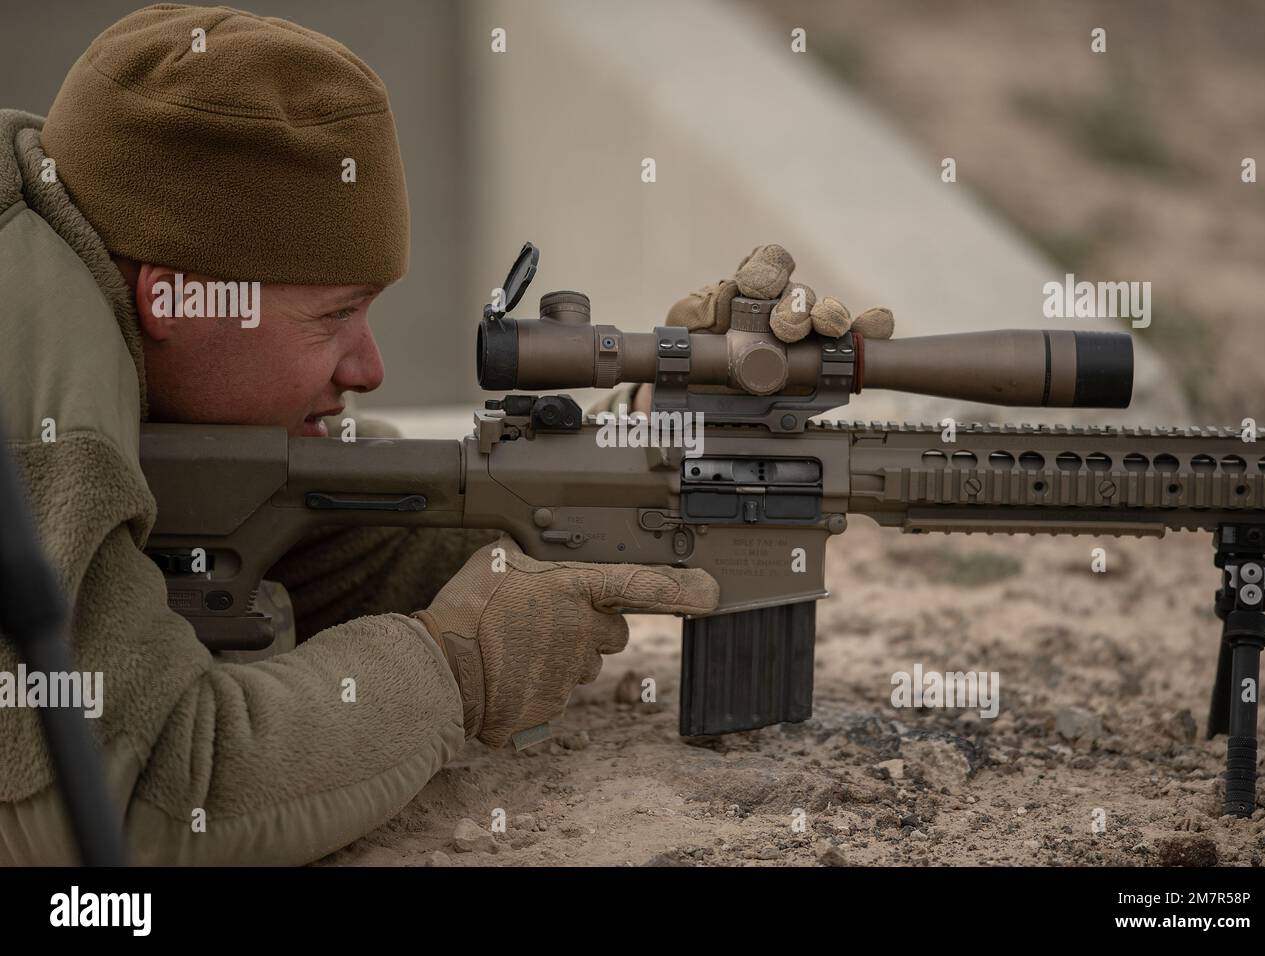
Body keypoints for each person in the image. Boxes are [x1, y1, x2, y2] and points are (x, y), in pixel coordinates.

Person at [0, 4, 891, 865]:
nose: (369, 367)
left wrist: (610, 470)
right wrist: (453, 666)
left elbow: (306, 541)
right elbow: (132, 802)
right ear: (171, 296)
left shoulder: (61, 234)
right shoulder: (47, 403)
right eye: (335, 316)